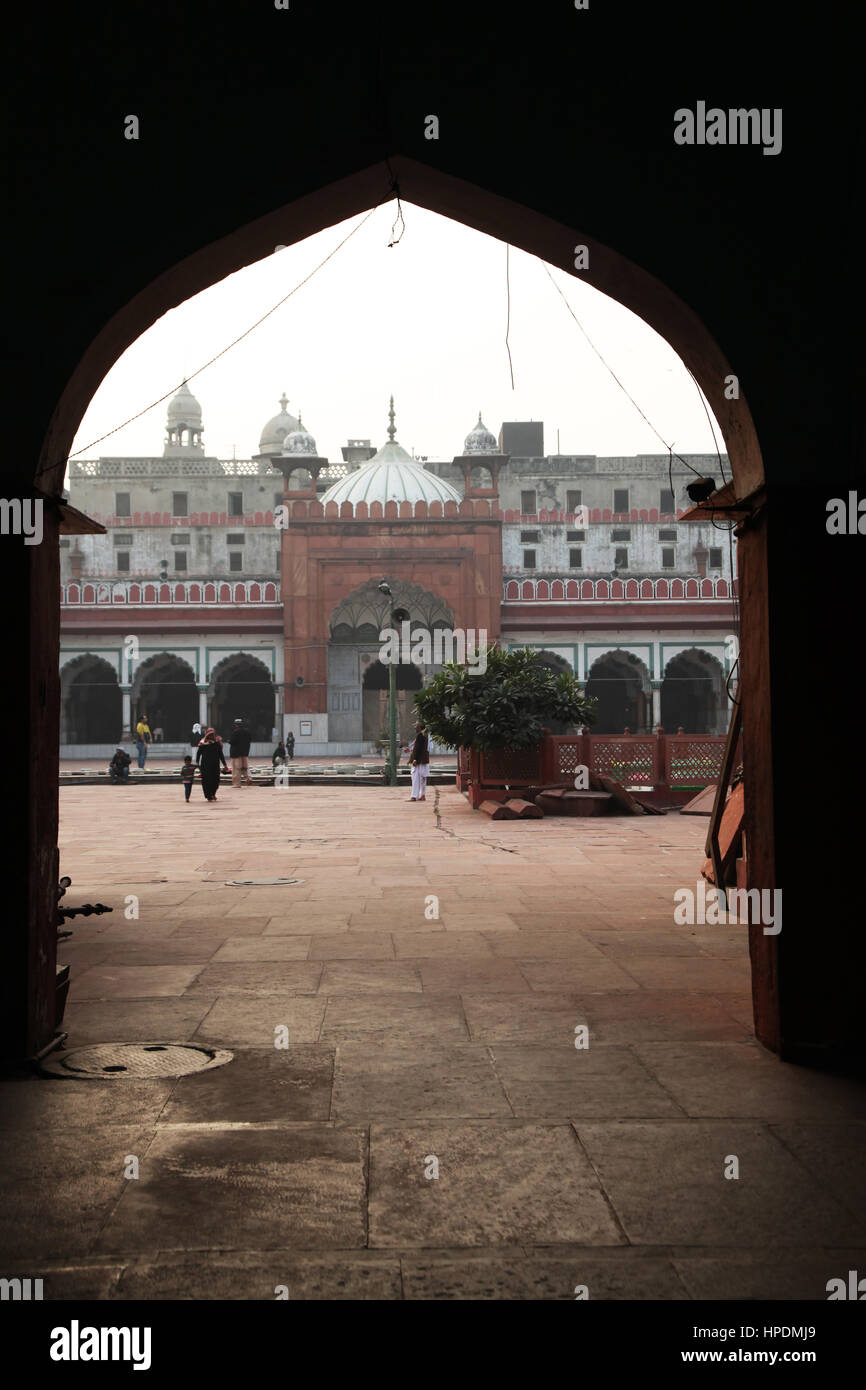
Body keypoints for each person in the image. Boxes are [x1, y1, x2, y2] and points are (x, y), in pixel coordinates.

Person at [196, 727, 228, 801]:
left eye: (212, 734)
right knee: (206, 781)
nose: (211, 736)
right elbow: (198, 753)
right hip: (205, 765)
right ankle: (208, 796)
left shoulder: (217, 743)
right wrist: (197, 762)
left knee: (216, 781)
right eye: (209, 734)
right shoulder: (203, 743)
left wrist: (225, 764)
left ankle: (213, 793)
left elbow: (221, 754)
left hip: (215, 765)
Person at [408, 722, 429, 801]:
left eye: (416, 725)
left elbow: (418, 748)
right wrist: (410, 749)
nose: (414, 727)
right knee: (423, 778)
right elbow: (417, 747)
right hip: (423, 760)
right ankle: (422, 795)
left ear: (420, 727)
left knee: (415, 778)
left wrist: (415, 759)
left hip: (419, 760)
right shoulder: (425, 735)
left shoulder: (420, 736)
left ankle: (414, 796)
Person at [228, 717, 252, 787]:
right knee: (245, 767)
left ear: (236, 725)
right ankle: (248, 778)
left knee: (236, 769)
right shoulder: (247, 732)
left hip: (236, 754)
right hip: (245, 753)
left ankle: (237, 784)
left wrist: (228, 741)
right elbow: (250, 740)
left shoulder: (235, 732)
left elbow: (232, 741)